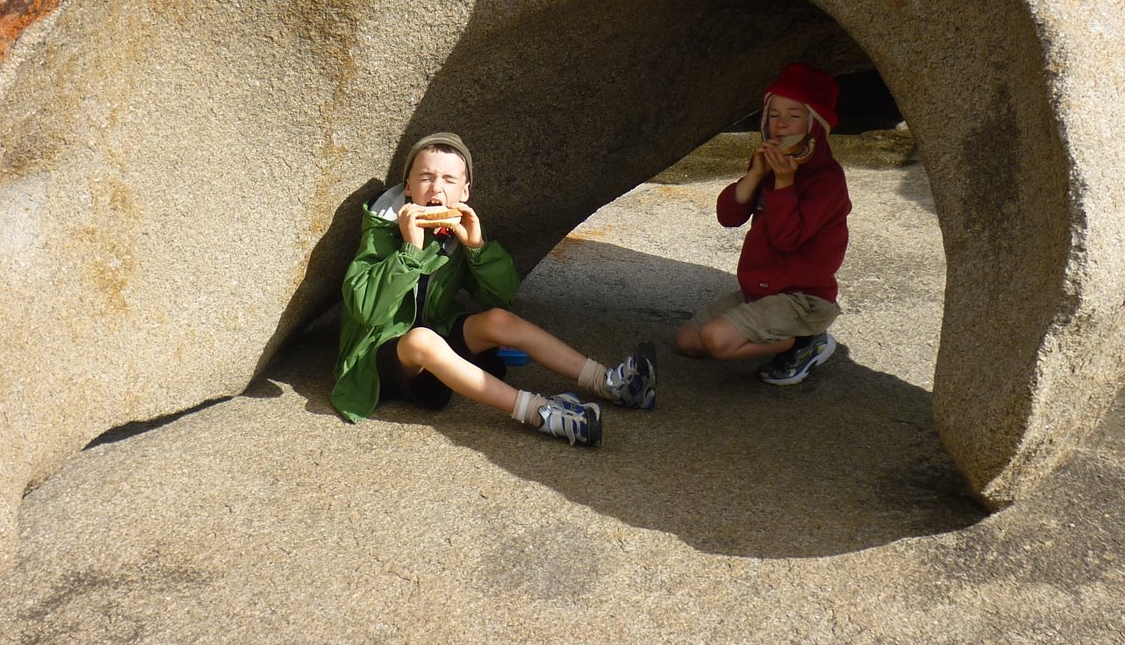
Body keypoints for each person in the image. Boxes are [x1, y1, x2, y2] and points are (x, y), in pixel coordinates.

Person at [333, 132, 657, 446]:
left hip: (437, 340)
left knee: (498, 319)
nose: (436, 187)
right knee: (421, 340)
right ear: (408, 186)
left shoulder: (458, 230)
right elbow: (366, 311)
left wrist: (478, 249)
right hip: (381, 358)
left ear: (464, 191)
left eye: (448, 180)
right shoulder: (382, 231)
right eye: (426, 177)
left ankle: (610, 383)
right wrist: (409, 253)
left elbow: (503, 296)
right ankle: (539, 413)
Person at [676, 63, 851, 385]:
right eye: (773, 115)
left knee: (716, 341)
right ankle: (778, 334)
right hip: (760, 291)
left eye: (794, 115)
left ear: (816, 124)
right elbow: (728, 217)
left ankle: (804, 342)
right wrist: (756, 175)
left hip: (803, 298)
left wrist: (785, 182)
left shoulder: (827, 179)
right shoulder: (769, 166)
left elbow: (787, 238)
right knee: (688, 342)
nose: (782, 124)